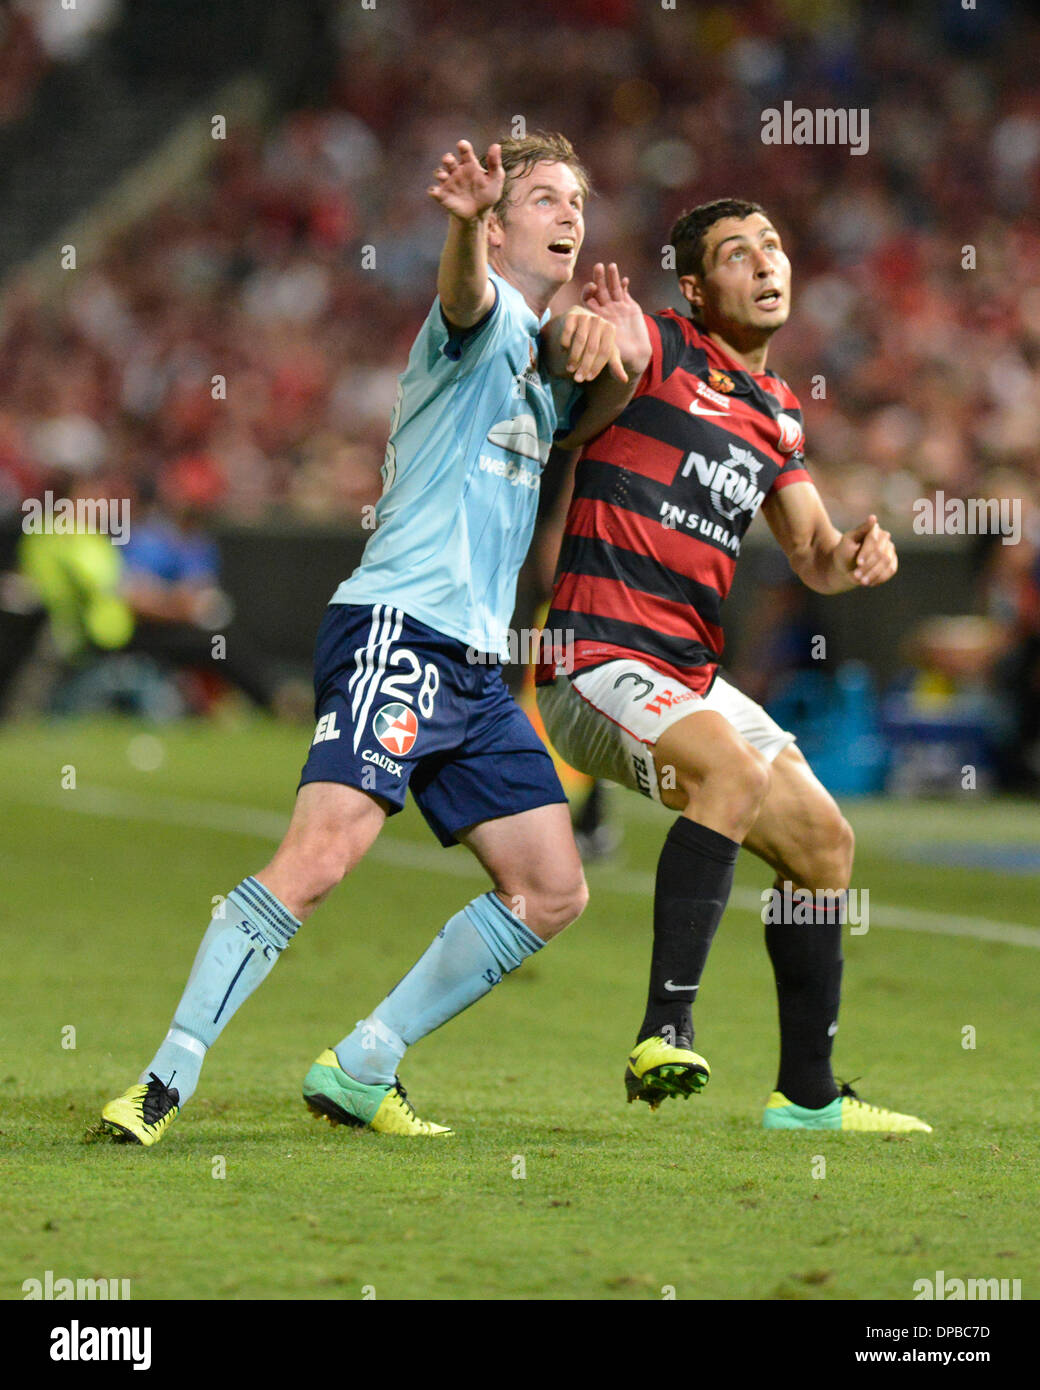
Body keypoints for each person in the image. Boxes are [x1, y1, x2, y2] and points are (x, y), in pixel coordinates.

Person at [100, 132, 650, 1145]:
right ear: (497, 223)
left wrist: (632, 337)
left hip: (477, 668)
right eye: (542, 198)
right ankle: (163, 1079)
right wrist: (457, 227)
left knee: (551, 885)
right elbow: (462, 295)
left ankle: (365, 1061)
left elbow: (601, 405)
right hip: (400, 629)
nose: (569, 214)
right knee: (316, 859)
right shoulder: (478, 319)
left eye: (577, 198)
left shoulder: (544, 358)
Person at [536, 198, 931, 1132]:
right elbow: (595, 344)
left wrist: (856, 558)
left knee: (825, 844)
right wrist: (584, 329)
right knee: (730, 769)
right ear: (694, 288)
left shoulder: (778, 414)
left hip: (684, 672)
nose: (765, 263)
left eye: (773, 246)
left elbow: (814, 555)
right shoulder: (661, 347)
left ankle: (807, 1098)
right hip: (593, 656)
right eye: (735, 254)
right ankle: (664, 1028)